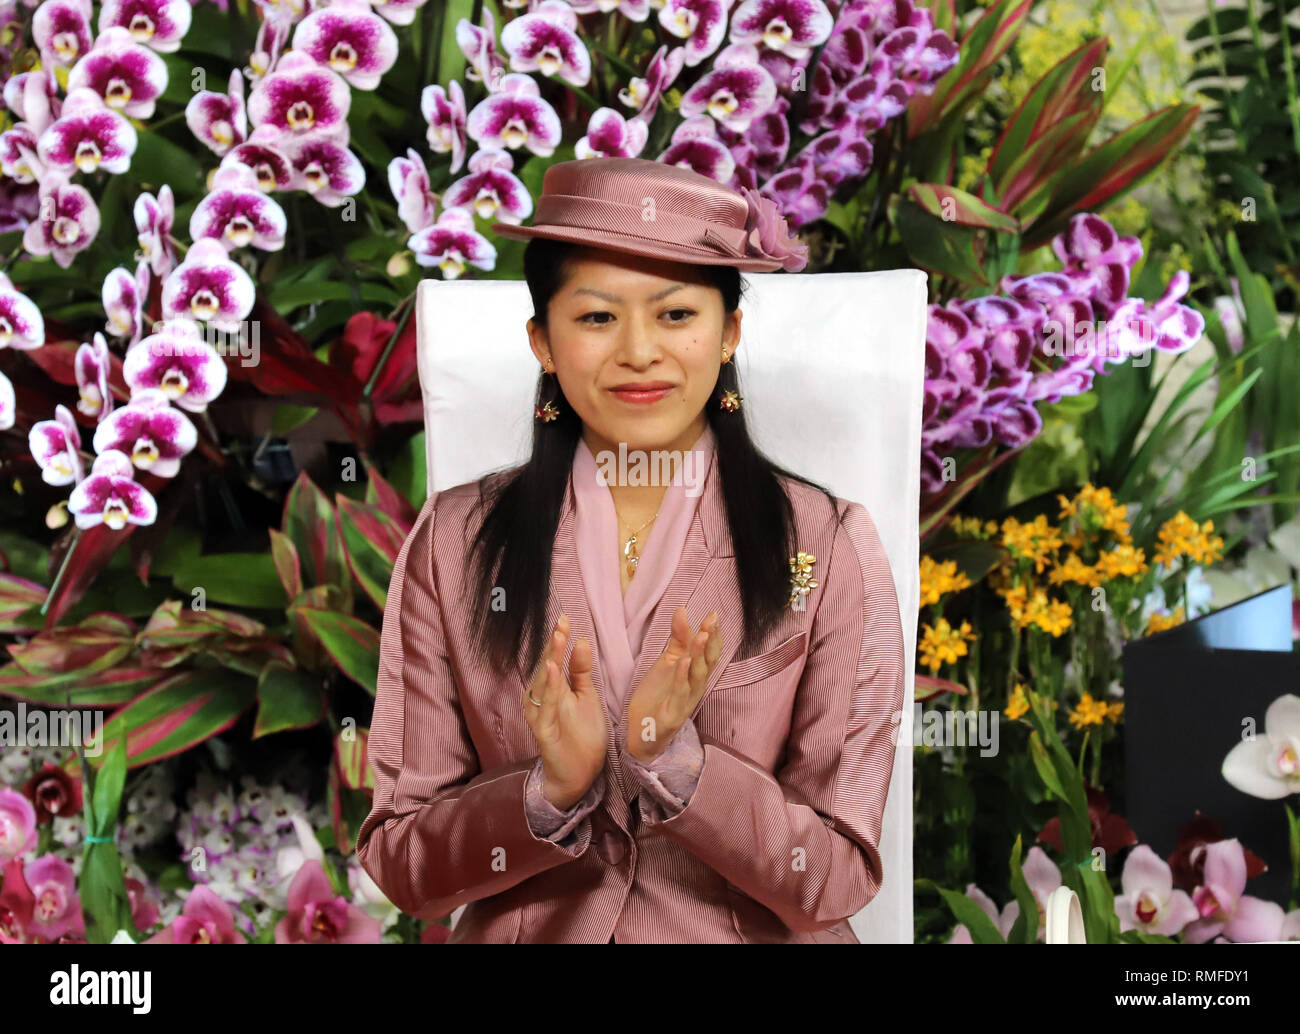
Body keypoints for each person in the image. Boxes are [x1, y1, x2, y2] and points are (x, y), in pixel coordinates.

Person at [354, 156, 906, 943]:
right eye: (597, 317)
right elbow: (406, 869)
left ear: (730, 333)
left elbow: (837, 878)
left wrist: (680, 769)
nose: (640, 351)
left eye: (677, 315)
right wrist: (548, 791)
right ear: (543, 341)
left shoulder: (823, 542)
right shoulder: (455, 542)